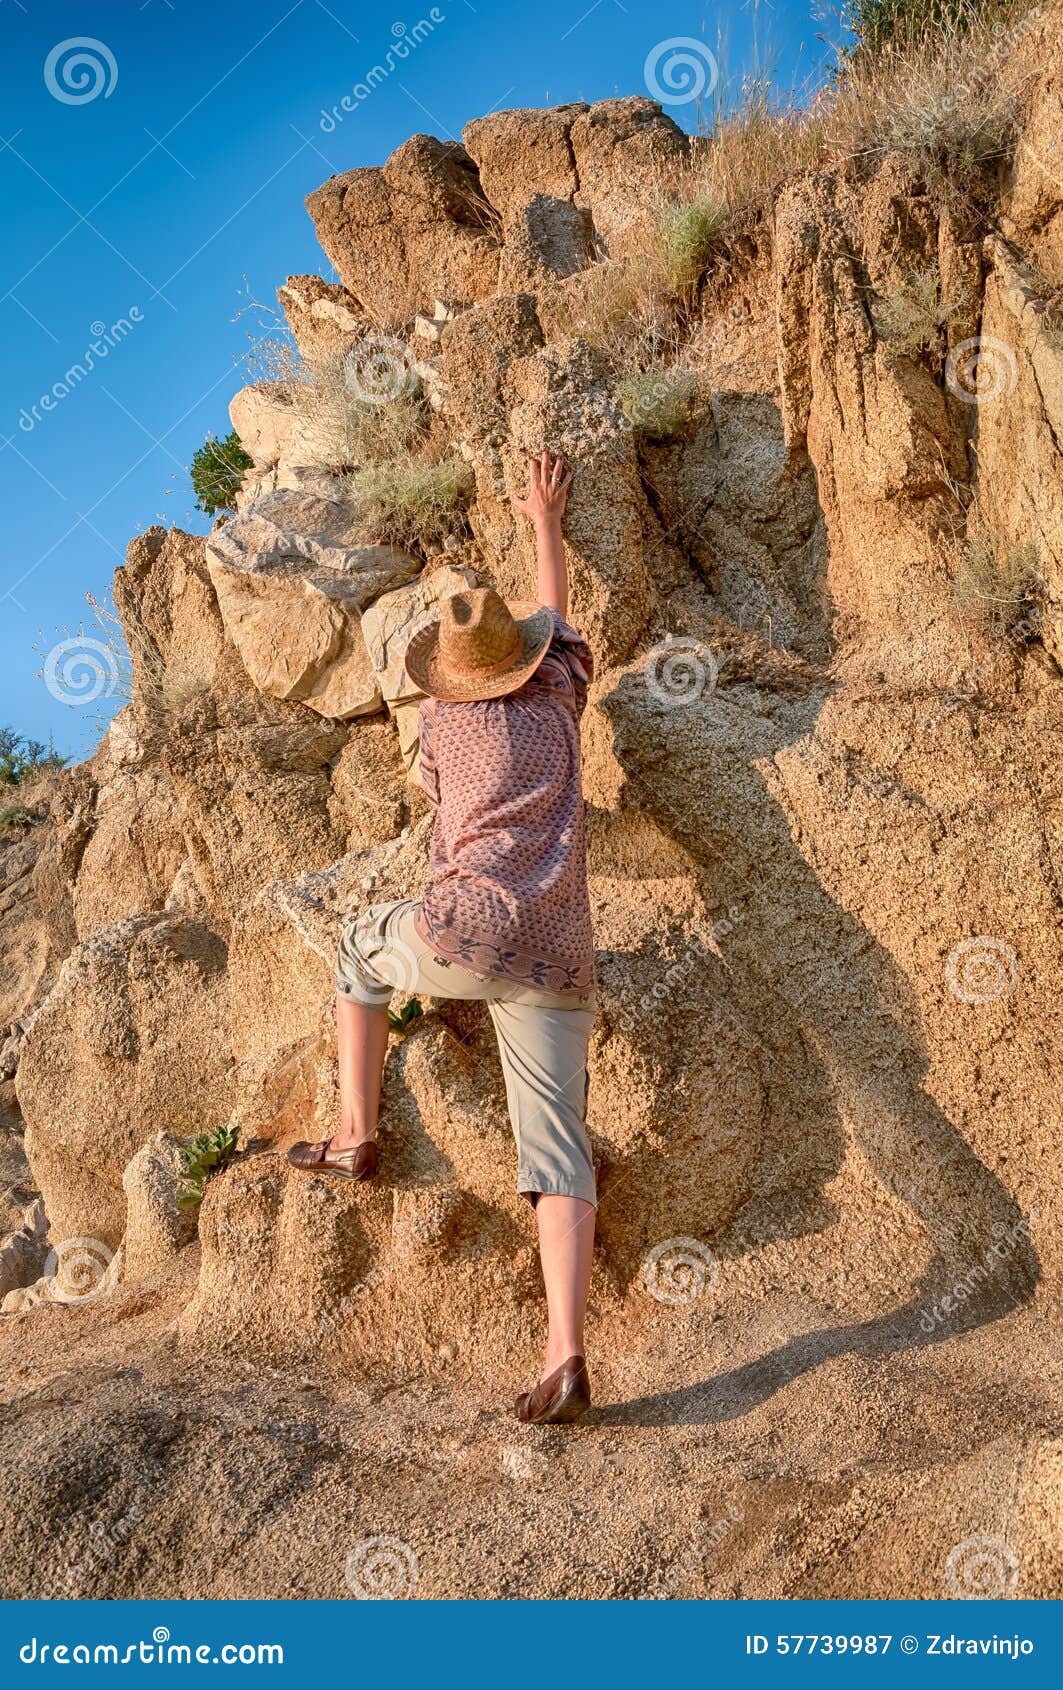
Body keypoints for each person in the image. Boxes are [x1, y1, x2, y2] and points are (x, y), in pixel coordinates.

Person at [288, 451, 598, 1425]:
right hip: (559, 954)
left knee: (357, 949)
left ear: (452, 677)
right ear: (526, 659)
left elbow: (437, 808)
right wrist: (545, 522)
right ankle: (564, 1354)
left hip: (463, 934)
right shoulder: (559, 695)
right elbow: (559, 622)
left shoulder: (440, 726)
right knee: (558, 1152)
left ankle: (354, 1135)